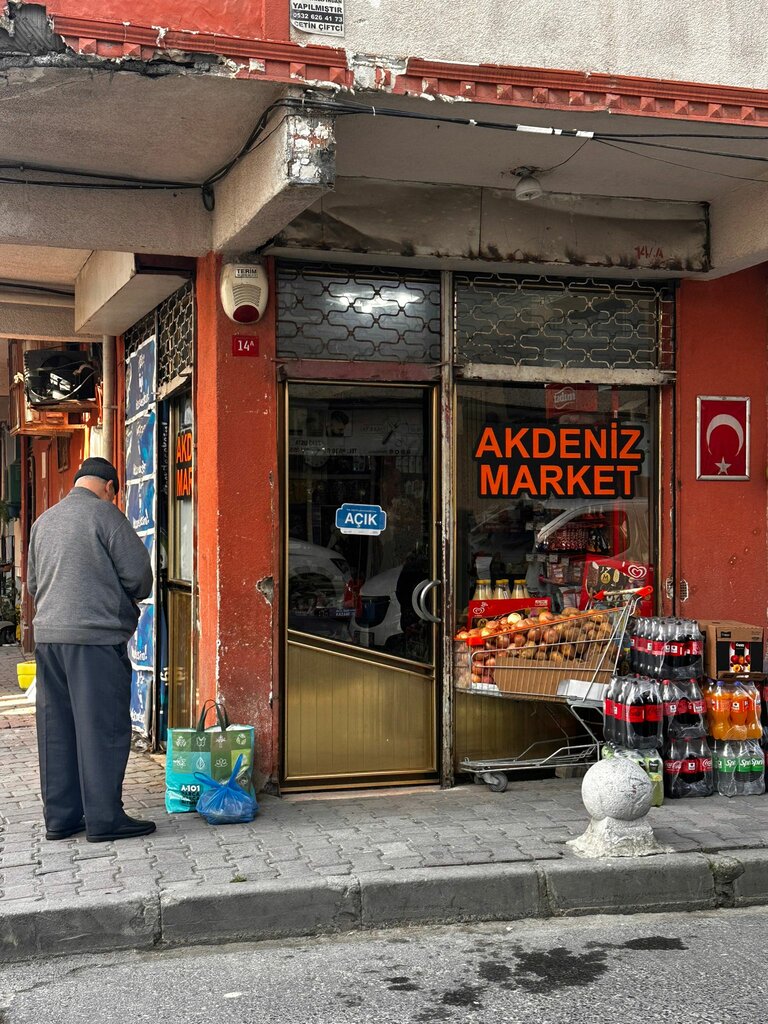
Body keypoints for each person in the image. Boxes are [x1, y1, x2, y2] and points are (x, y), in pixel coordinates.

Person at [27, 457, 155, 843]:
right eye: (115, 493)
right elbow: (140, 578)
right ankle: (104, 819)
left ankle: (61, 818)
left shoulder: (43, 521)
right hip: (95, 639)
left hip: (49, 639)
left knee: (57, 728)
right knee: (101, 727)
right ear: (110, 487)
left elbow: (33, 583)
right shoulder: (106, 516)